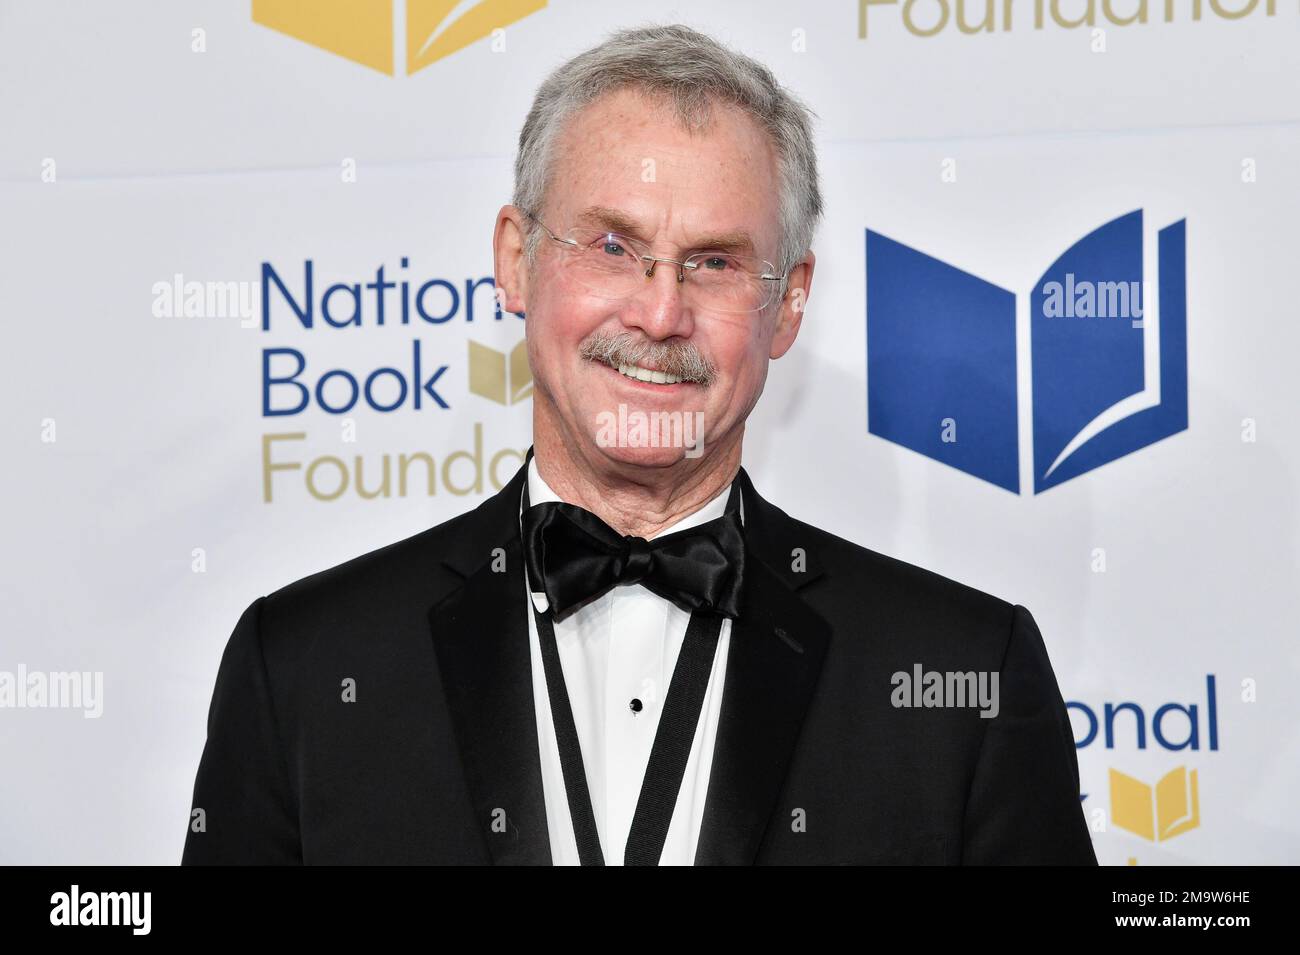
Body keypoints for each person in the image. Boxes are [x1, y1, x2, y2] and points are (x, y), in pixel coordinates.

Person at [182, 23, 1096, 865]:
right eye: (613, 246)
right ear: (515, 259)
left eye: (715, 262)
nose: (660, 314)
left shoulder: (967, 678)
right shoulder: (304, 664)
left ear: (789, 303)